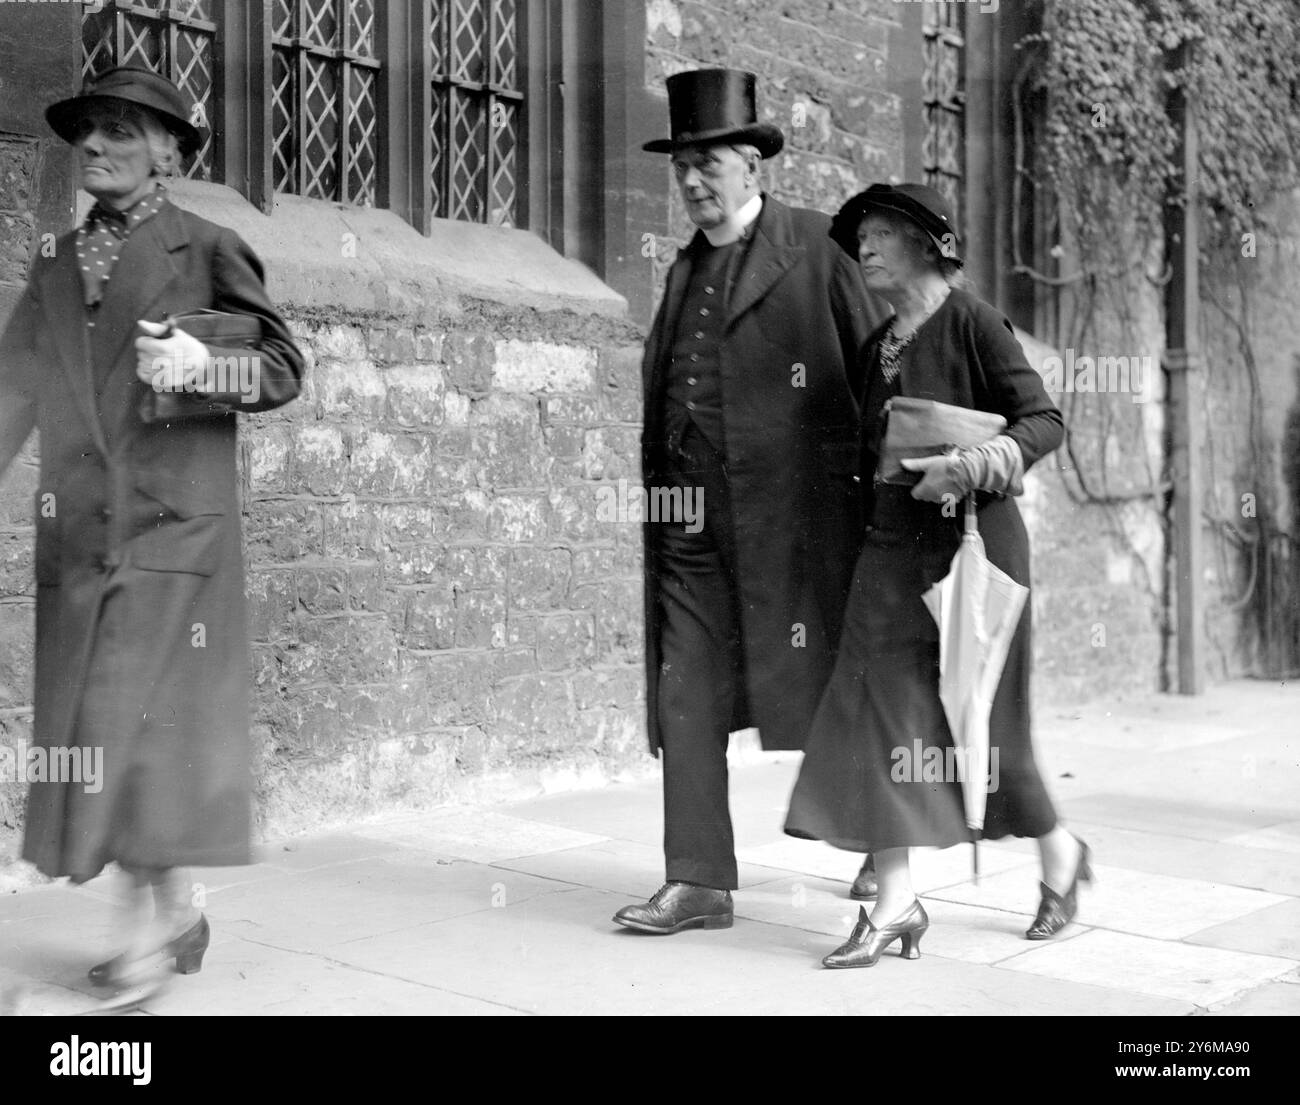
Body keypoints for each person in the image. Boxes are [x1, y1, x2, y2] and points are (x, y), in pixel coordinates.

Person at [0, 66, 305, 999]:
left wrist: (203, 361)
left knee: (130, 730)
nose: (94, 147)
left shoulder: (208, 246)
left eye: (123, 132)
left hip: (177, 541)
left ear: (172, 150)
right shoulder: (55, 262)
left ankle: (141, 938)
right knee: (106, 737)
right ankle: (177, 912)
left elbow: (285, 367)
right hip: (81, 539)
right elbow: (9, 392)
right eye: (88, 131)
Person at [783, 182, 1090, 967]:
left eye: (883, 232)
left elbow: (1044, 420)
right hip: (889, 554)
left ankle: (1060, 855)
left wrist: (974, 463)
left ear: (929, 244)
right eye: (861, 237)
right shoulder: (875, 345)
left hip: (974, 551)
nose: (867, 247)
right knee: (874, 720)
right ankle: (896, 905)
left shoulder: (976, 322)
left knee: (987, 737)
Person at [614, 69, 885, 935]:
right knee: (685, 682)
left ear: (753, 165)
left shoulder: (816, 247)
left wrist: (883, 490)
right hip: (687, 522)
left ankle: (887, 851)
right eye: (682, 166)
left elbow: (884, 368)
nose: (694, 181)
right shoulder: (682, 270)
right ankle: (698, 877)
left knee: (840, 683)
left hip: (799, 526)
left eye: (711, 163)